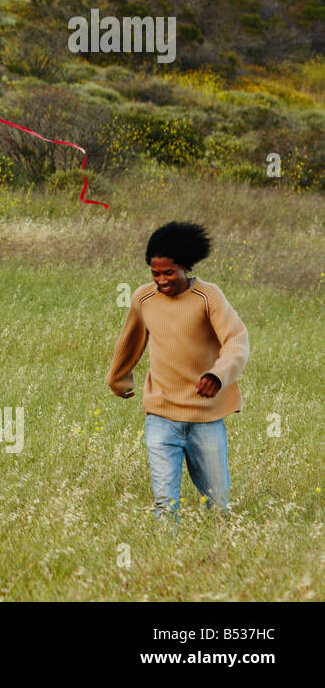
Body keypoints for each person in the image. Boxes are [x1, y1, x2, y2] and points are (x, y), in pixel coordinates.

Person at [107, 221, 249, 518]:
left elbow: (236, 341)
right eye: (155, 274)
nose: (161, 280)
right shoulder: (143, 299)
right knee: (164, 503)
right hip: (160, 415)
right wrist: (118, 378)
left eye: (169, 272)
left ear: (185, 266)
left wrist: (217, 375)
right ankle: (164, 558)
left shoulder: (208, 297)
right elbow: (130, 339)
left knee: (218, 503)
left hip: (205, 417)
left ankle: (214, 556)